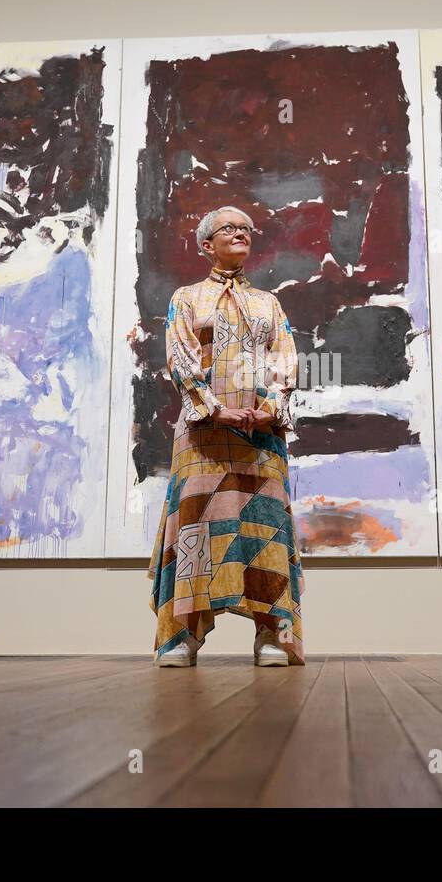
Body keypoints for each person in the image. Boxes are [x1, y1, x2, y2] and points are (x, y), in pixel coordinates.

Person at [147, 206, 305, 668]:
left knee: (265, 527)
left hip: (262, 438)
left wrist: (270, 409)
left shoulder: (268, 303)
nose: (240, 234)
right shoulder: (187, 297)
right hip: (203, 438)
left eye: (245, 229)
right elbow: (180, 359)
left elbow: (285, 359)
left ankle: (272, 633)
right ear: (205, 245)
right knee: (197, 523)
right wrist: (217, 410)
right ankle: (182, 636)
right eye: (228, 229)